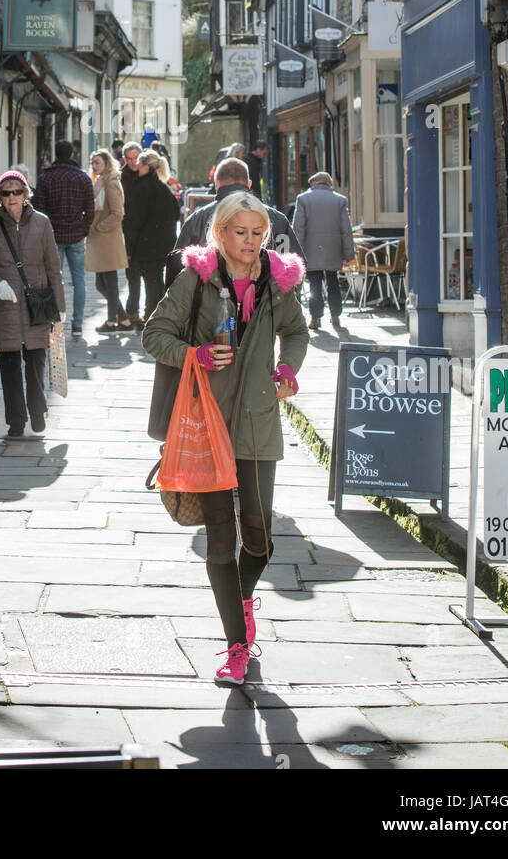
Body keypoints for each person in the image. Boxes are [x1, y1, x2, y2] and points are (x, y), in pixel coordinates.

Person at [143, 193, 309, 685]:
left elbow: (298, 333)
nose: (252, 241)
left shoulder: (277, 283)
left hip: (258, 421)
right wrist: (192, 354)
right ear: (220, 233)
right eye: (242, 232)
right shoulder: (196, 279)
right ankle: (236, 646)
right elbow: (154, 335)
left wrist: (287, 369)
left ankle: (241, 598)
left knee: (258, 542)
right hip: (206, 425)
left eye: (258, 232)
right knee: (220, 542)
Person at [0, 170, 65, 437]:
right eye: (5, 192)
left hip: (36, 306)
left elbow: (53, 266)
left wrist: (60, 306)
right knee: (10, 366)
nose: (11, 197)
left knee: (36, 362)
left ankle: (38, 411)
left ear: (26, 194)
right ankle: (15, 421)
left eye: (17, 191)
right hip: (4, 309)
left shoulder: (42, 223)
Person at [170, 158, 302, 283]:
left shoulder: (197, 219)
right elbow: (294, 267)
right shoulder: (277, 218)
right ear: (249, 184)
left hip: (211, 301)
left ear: (217, 185)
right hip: (266, 301)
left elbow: (177, 267)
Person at [32, 141, 95, 337]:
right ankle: (77, 325)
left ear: (56, 154)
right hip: (76, 234)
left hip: (52, 236)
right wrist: (83, 228)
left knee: (52, 279)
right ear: (72, 154)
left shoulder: (45, 178)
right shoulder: (83, 178)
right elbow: (90, 211)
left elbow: (39, 210)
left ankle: (54, 320)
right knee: (79, 280)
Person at [292, 170, 355, 332]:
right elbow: (346, 230)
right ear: (329, 184)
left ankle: (315, 317)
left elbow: (298, 228)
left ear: (313, 183)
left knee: (314, 283)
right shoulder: (340, 200)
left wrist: (296, 251)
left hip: (310, 250)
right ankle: (335, 316)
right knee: (333, 281)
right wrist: (348, 253)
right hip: (333, 249)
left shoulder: (303, 199)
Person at [125, 148, 179, 324]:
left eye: (139, 163)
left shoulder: (142, 188)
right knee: (156, 281)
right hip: (164, 244)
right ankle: (154, 316)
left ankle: (150, 317)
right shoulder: (165, 189)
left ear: (147, 165)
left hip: (146, 244)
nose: (137, 167)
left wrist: (129, 248)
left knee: (150, 281)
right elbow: (176, 214)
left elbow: (134, 221)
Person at [86, 149, 133, 334]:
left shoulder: (111, 182)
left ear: (106, 162)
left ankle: (112, 322)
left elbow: (117, 213)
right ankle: (123, 320)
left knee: (109, 284)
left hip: (108, 238)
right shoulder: (100, 182)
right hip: (100, 239)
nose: (94, 166)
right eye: (93, 163)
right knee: (102, 284)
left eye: (97, 162)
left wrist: (99, 228)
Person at [119, 140, 142, 321]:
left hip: (147, 230)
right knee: (132, 274)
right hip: (128, 231)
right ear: (124, 158)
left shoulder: (147, 173)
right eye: (130, 158)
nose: (134, 162)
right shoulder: (121, 177)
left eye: (137, 158)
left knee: (151, 277)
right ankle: (132, 311)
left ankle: (149, 311)